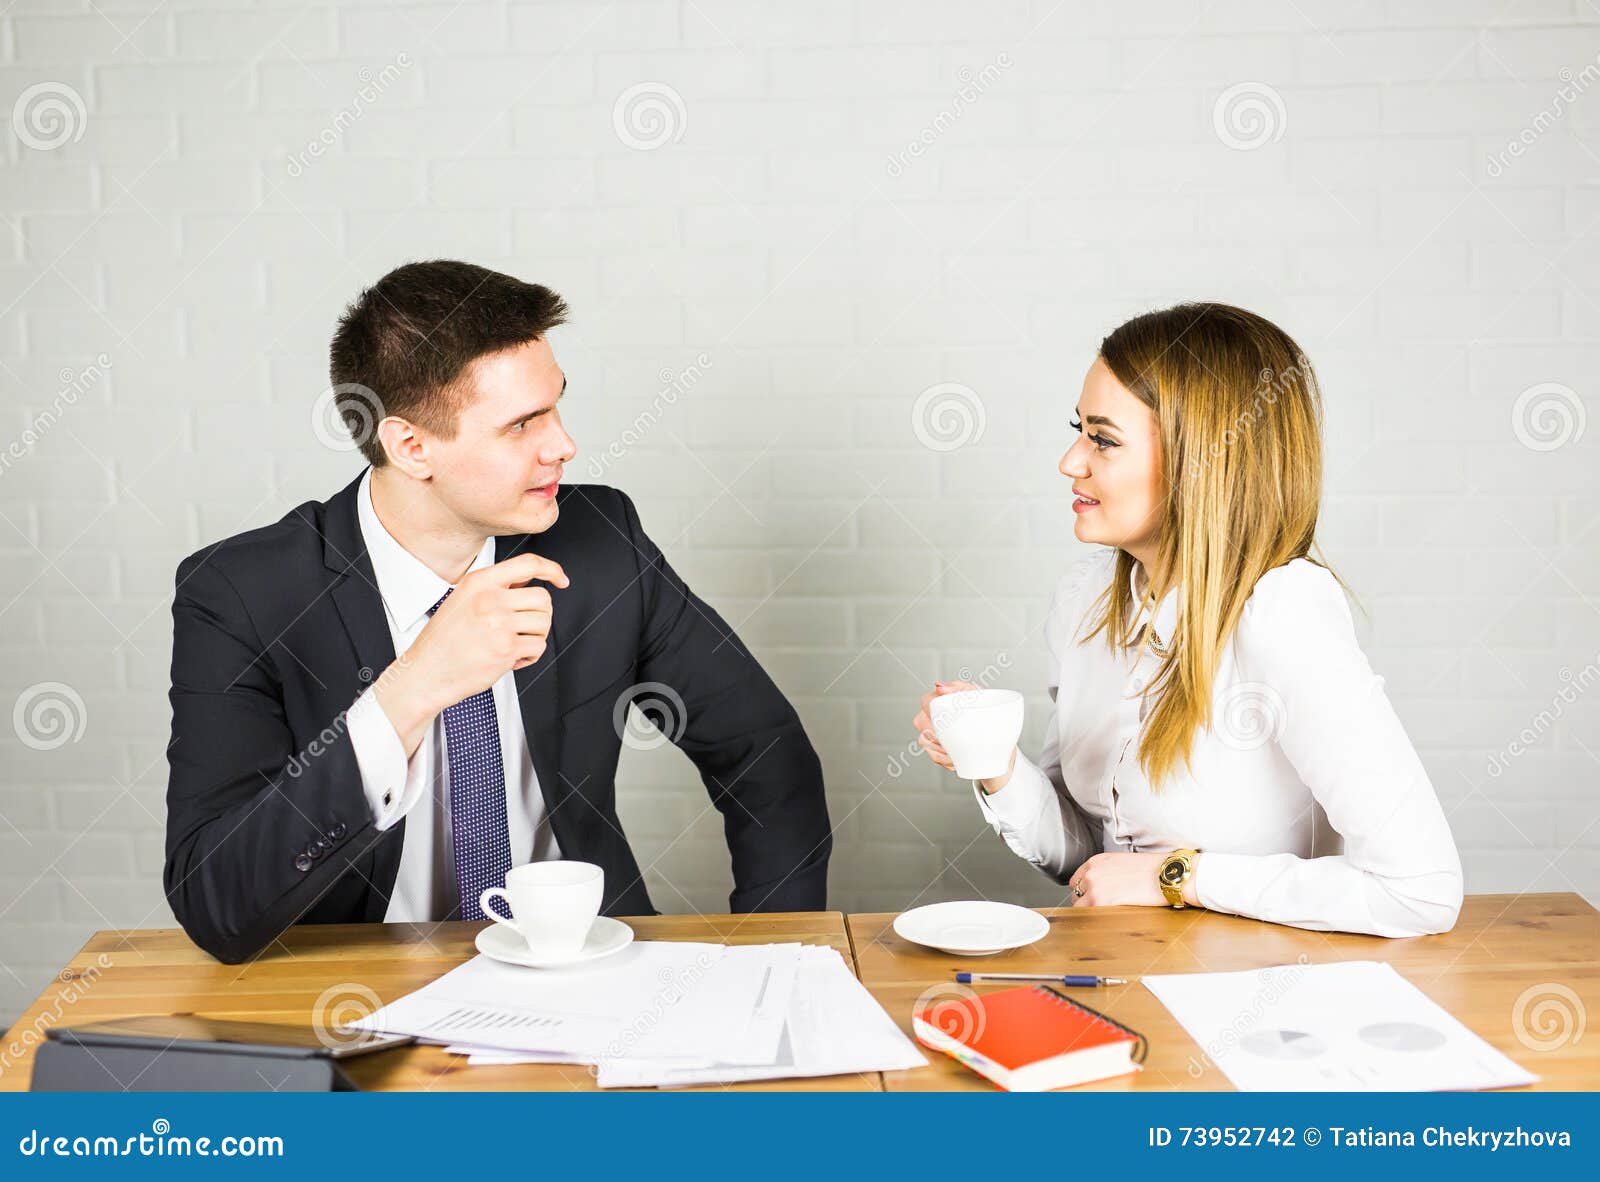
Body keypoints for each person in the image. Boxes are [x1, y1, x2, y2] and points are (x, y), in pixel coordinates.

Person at [164, 260, 831, 964]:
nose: (563, 445)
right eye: (522, 425)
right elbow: (217, 904)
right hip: (351, 994)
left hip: (586, 978)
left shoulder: (602, 544)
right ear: (411, 446)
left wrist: (774, 959)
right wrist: (412, 687)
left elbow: (764, 753)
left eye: (556, 406)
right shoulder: (242, 593)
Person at [913, 303, 1463, 938]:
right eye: (1079, 429)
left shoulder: (1282, 612)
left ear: (1201, 462)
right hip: (1130, 976)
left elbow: (1420, 890)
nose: (1071, 461)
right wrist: (995, 766)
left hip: (1261, 1002)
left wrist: (1175, 876)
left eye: (1103, 439)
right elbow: (1088, 855)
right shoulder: (1085, 599)